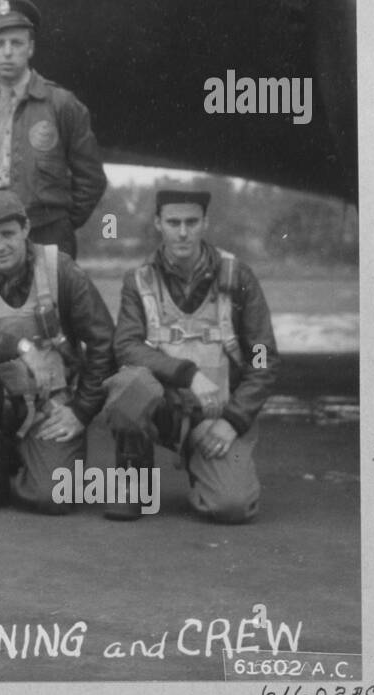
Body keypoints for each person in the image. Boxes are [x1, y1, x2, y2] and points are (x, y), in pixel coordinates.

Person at [99, 190, 279, 524]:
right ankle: (133, 483)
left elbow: (262, 358)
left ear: (205, 224)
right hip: (164, 406)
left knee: (232, 507)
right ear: (158, 224)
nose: (182, 232)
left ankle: (204, 469)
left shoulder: (239, 276)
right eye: (173, 222)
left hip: (216, 414)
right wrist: (189, 374)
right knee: (129, 384)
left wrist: (233, 421)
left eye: (191, 222)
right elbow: (126, 346)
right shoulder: (138, 281)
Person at [0, 191, 115, 514]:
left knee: (51, 497)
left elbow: (103, 340)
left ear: (26, 229)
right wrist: (18, 346)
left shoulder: (62, 269)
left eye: (8, 234)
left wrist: (82, 411)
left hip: (50, 403)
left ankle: (17, 466)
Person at [0, 0, 108, 259]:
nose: (7, 52)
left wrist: (60, 223)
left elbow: (92, 178)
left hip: (48, 234)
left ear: (30, 48)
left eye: (16, 43)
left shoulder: (62, 104)